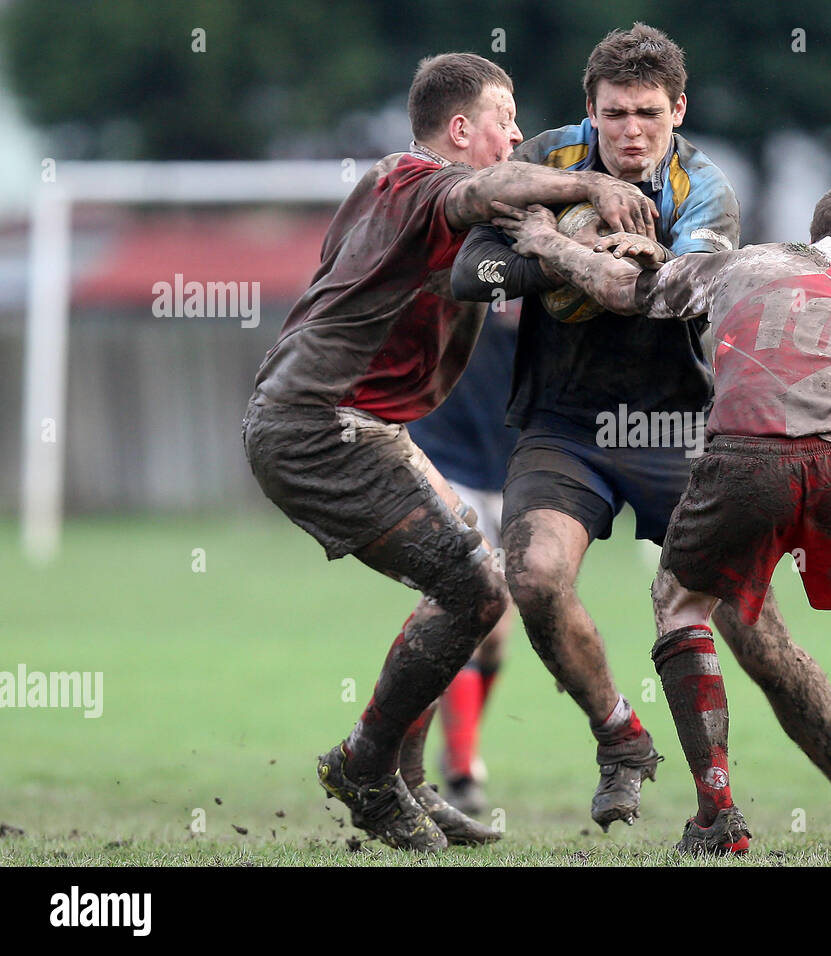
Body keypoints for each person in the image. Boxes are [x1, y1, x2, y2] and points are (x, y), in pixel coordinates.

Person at [451, 25, 831, 849]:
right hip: (563, 427)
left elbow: (678, 293)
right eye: (614, 113)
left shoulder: (707, 187)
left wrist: (566, 247)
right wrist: (569, 247)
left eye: (648, 114)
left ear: (677, 110)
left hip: (677, 430)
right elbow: (468, 274)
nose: (630, 131)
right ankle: (621, 736)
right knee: (535, 577)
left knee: (750, 628)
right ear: (590, 110)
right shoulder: (545, 162)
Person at [491, 178, 831, 855]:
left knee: (682, 607)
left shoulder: (744, 263)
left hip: (745, 453)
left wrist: (546, 244)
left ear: (812, 229)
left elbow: (625, 290)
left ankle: (718, 814)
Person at [241, 51, 657, 853]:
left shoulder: (397, 190)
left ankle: (408, 779)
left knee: (471, 579)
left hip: (347, 421)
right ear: (460, 130)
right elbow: (487, 190)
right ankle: (365, 769)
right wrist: (592, 186)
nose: (517, 136)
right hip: (318, 424)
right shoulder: (422, 181)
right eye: (505, 120)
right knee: (474, 586)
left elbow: (488, 227)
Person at [402, 303, 520, 815]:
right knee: (475, 615)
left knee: (497, 642)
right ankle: (458, 769)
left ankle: (449, 758)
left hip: (520, 469)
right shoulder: (467, 267)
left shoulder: (564, 279)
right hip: (449, 464)